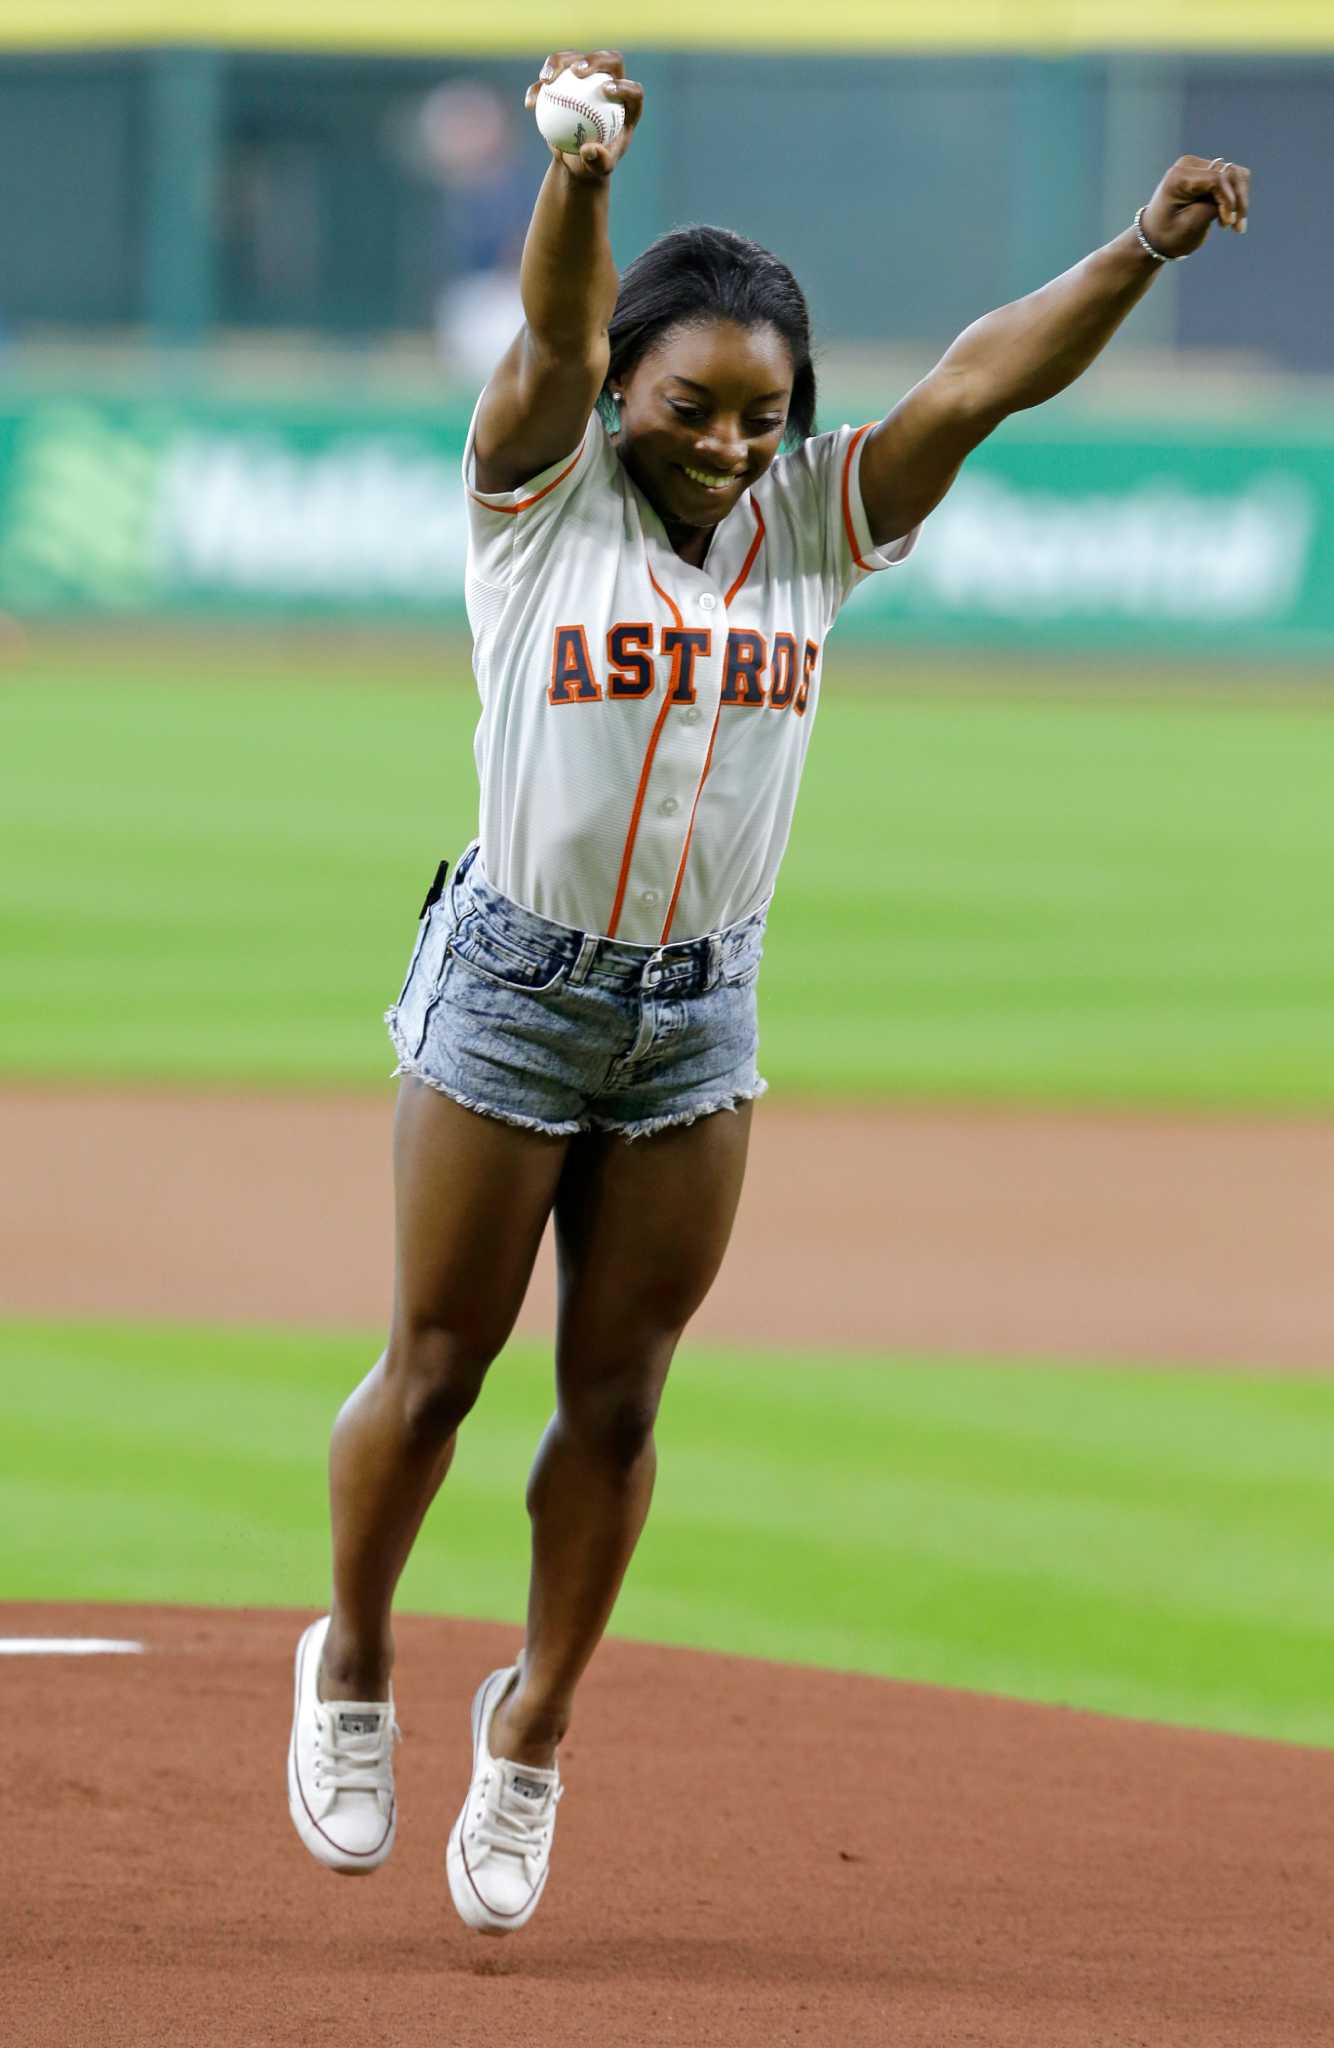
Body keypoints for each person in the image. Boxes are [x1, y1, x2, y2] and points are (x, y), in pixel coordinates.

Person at [287, 48, 1251, 1933]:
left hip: (697, 1018)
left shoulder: (815, 522)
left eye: (763, 410)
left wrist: (1137, 247)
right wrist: (577, 176)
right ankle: (353, 1667)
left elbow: (977, 378)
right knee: (434, 1374)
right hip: (509, 987)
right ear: (627, 394)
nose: (731, 441)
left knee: (623, 1405)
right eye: (694, 407)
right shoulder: (537, 499)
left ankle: (534, 1729)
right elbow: (555, 351)